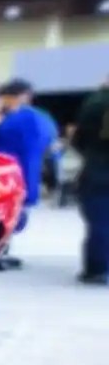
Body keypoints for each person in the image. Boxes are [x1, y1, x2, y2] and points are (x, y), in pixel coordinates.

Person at [0, 79, 56, 270]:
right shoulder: (38, 118)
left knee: (4, 215)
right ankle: (0, 251)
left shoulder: (15, 119)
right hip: (22, 174)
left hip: (5, 175)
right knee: (10, 215)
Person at [71, 77, 109, 285]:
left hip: (98, 170)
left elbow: (78, 140)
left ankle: (97, 270)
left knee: (100, 223)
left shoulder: (94, 103)